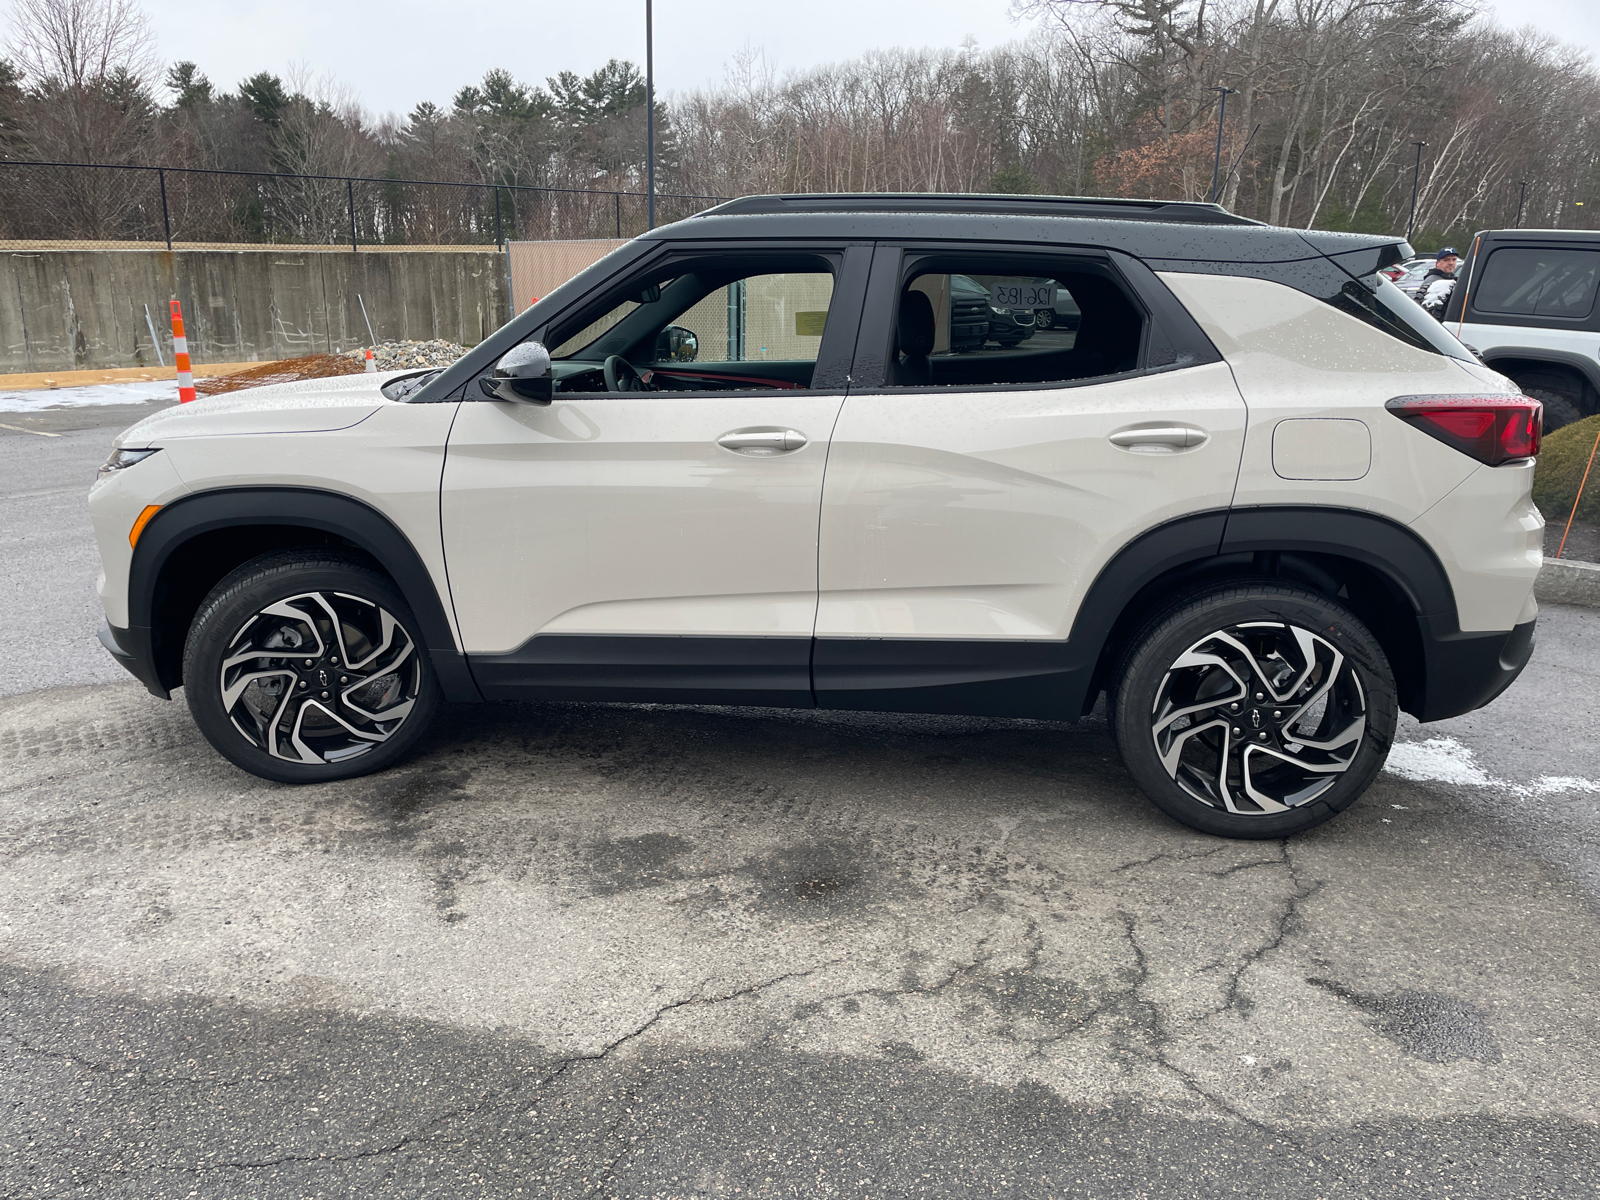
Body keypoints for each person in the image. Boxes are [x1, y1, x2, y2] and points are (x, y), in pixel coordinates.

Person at [1419, 247, 1460, 320]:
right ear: (1437, 263)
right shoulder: (1433, 281)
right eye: (1446, 260)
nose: (1451, 263)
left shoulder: (1450, 278)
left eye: (1454, 259)